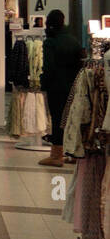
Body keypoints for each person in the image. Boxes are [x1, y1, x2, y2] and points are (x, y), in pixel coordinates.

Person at [39, 9, 82, 168]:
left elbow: (49, 67)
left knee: (58, 119)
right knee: (72, 118)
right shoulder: (74, 40)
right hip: (73, 87)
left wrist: (44, 83)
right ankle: (74, 153)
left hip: (57, 87)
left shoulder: (51, 42)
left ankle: (56, 155)